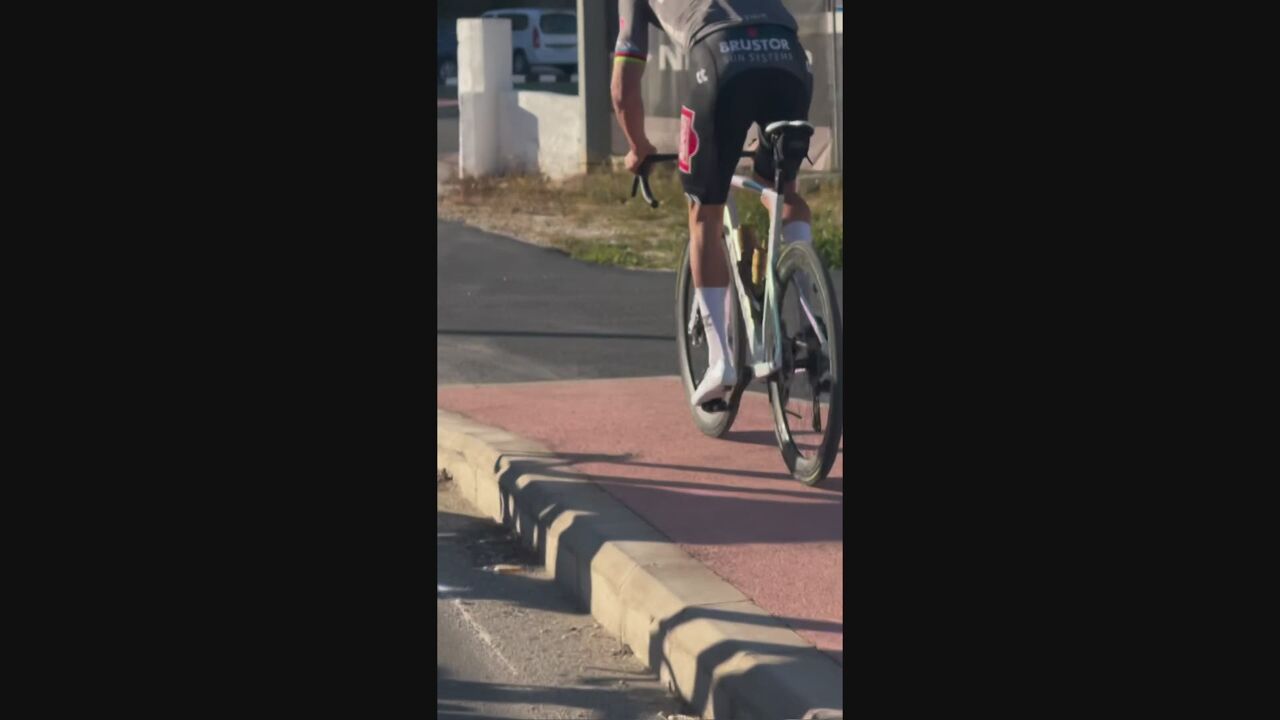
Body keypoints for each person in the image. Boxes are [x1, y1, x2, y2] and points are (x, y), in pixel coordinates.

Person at [612, 0, 814, 408]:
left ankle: (721, 361)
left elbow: (622, 91)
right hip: (787, 54)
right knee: (781, 190)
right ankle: (814, 320)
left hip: (719, 58)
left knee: (704, 211)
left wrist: (639, 147)